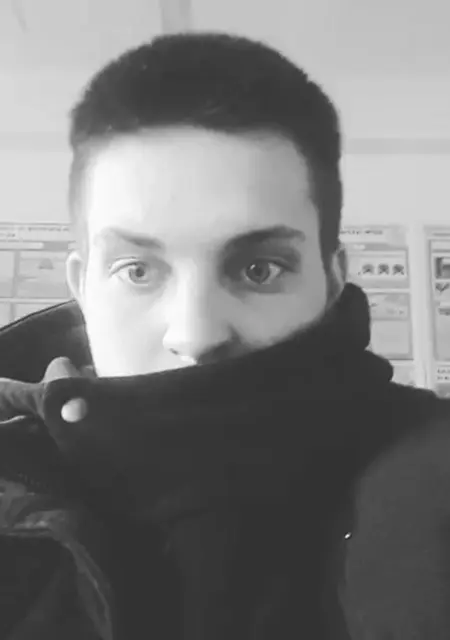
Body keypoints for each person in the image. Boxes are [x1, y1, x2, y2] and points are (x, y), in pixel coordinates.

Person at [0, 31, 449, 640]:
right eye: (138, 271)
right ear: (83, 288)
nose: (196, 334)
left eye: (259, 269)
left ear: (332, 280)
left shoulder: (430, 479)